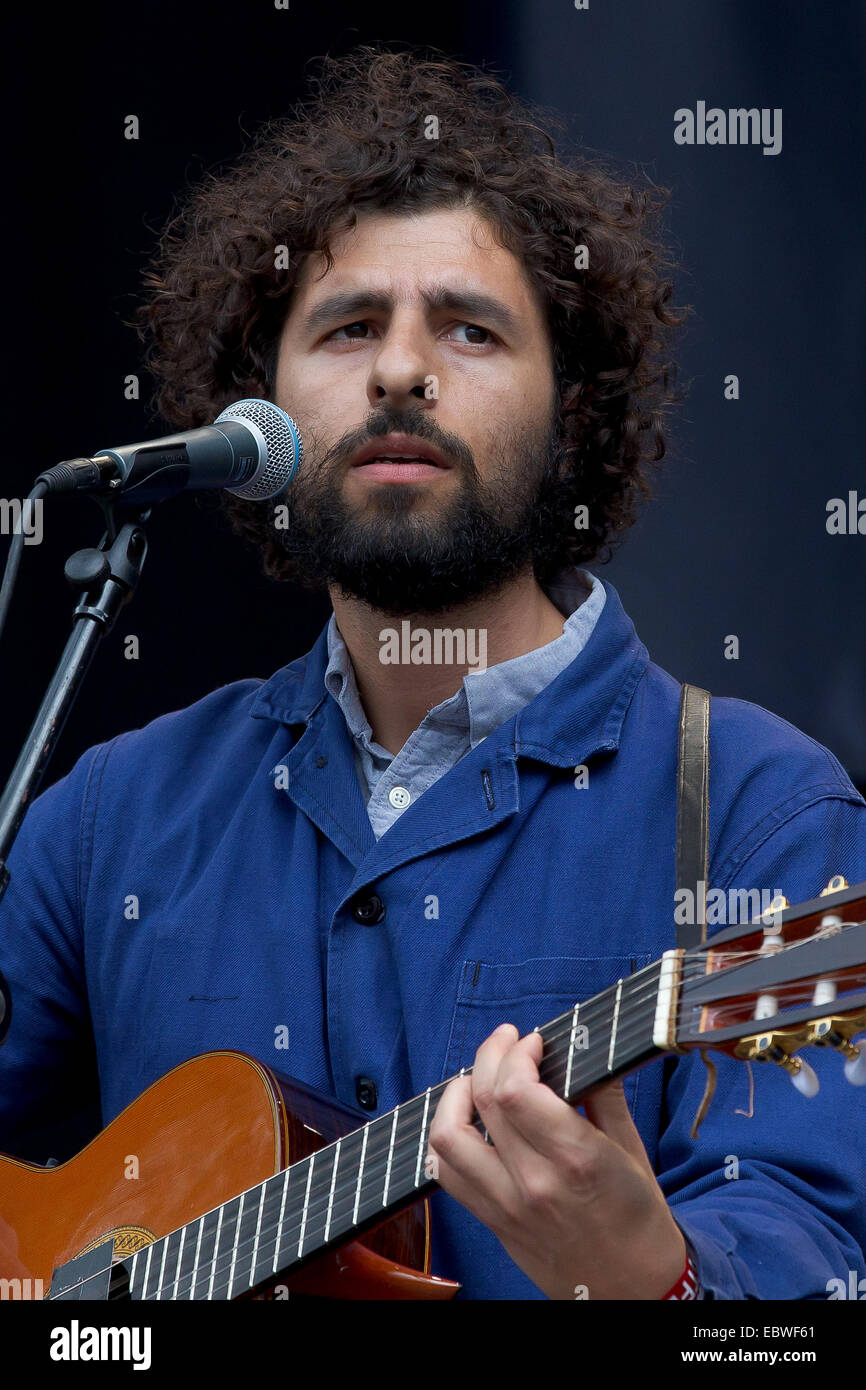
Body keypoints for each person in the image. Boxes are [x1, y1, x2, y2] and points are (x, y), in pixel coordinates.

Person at [1, 46, 865, 1301]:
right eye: (349, 328)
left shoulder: (758, 814)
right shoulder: (105, 820)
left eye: (468, 329)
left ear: (570, 417)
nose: (401, 370)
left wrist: (651, 1280)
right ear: (265, 415)